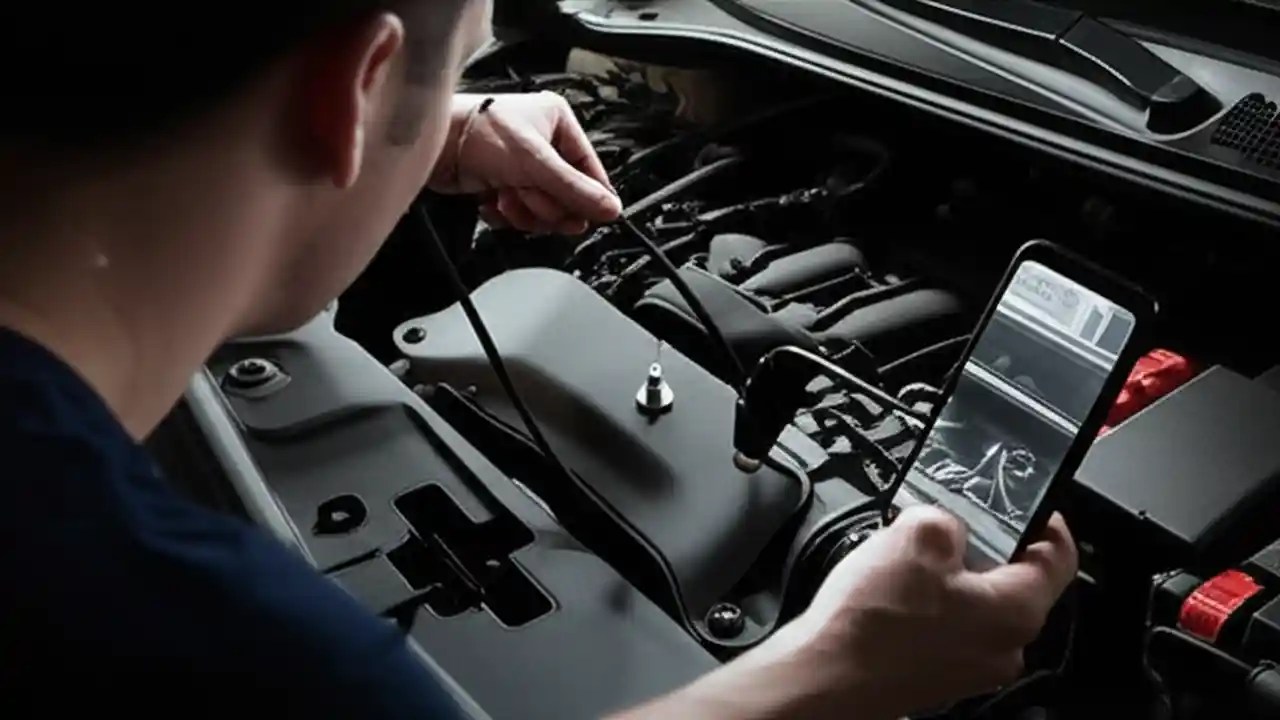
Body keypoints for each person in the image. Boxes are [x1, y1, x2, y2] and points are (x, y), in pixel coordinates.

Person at [0, 0, 1077, 717]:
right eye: (458, 70)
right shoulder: (228, 653)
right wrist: (835, 671)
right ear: (346, 92)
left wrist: (422, 124)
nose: (457, 106)